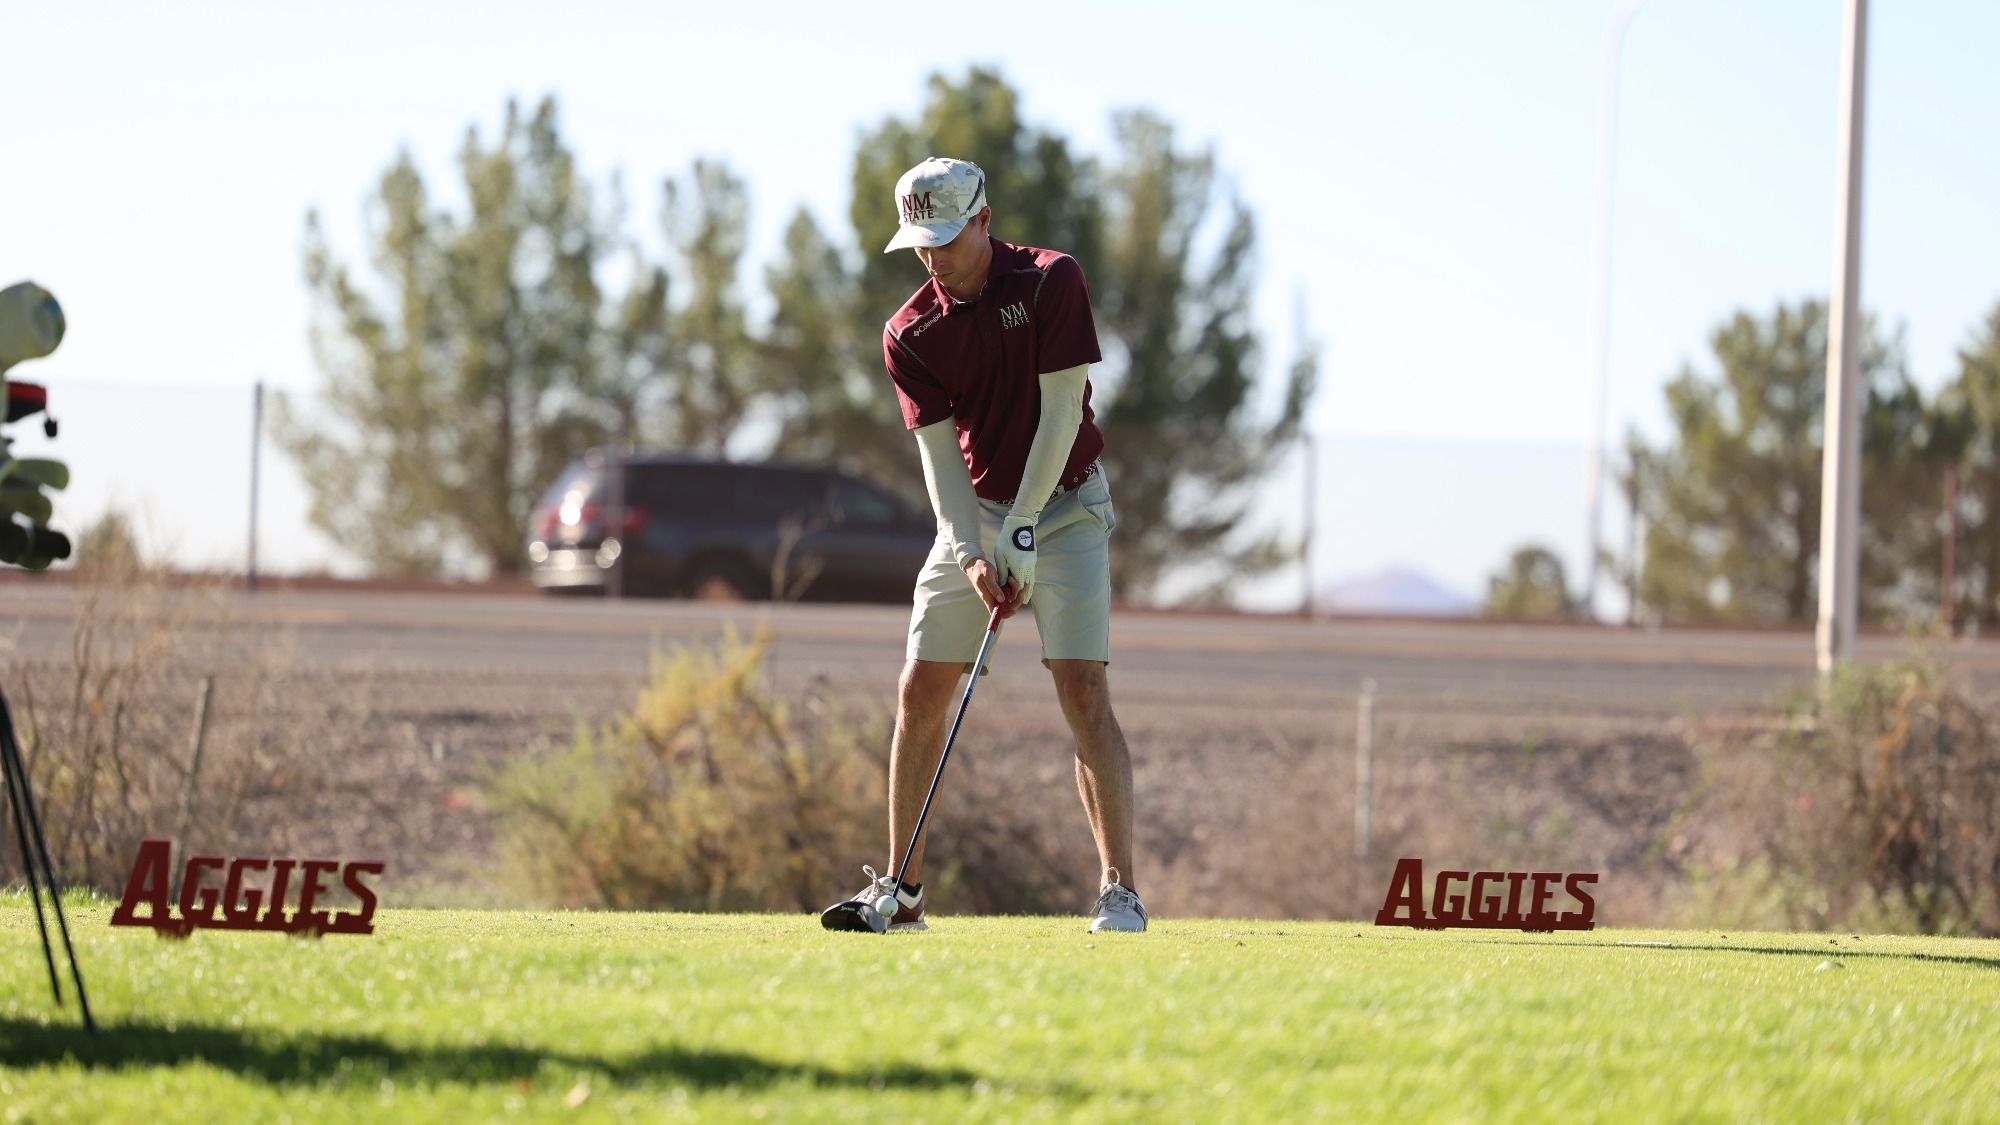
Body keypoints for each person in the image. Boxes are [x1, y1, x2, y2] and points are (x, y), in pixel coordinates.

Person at [824, 157, 1146, 933]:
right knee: (917, 690)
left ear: (984, 221)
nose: (935, 259)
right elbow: (940, 461)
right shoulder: (910, 332)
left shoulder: (1049, 281)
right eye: (920, 244)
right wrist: (971, 551)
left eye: (946, 238)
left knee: (1082, 691)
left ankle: (1120, 890)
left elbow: (1064, 408)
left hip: (1066, 506)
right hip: (974, 512)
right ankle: (901, 894)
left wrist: (1028, 525)